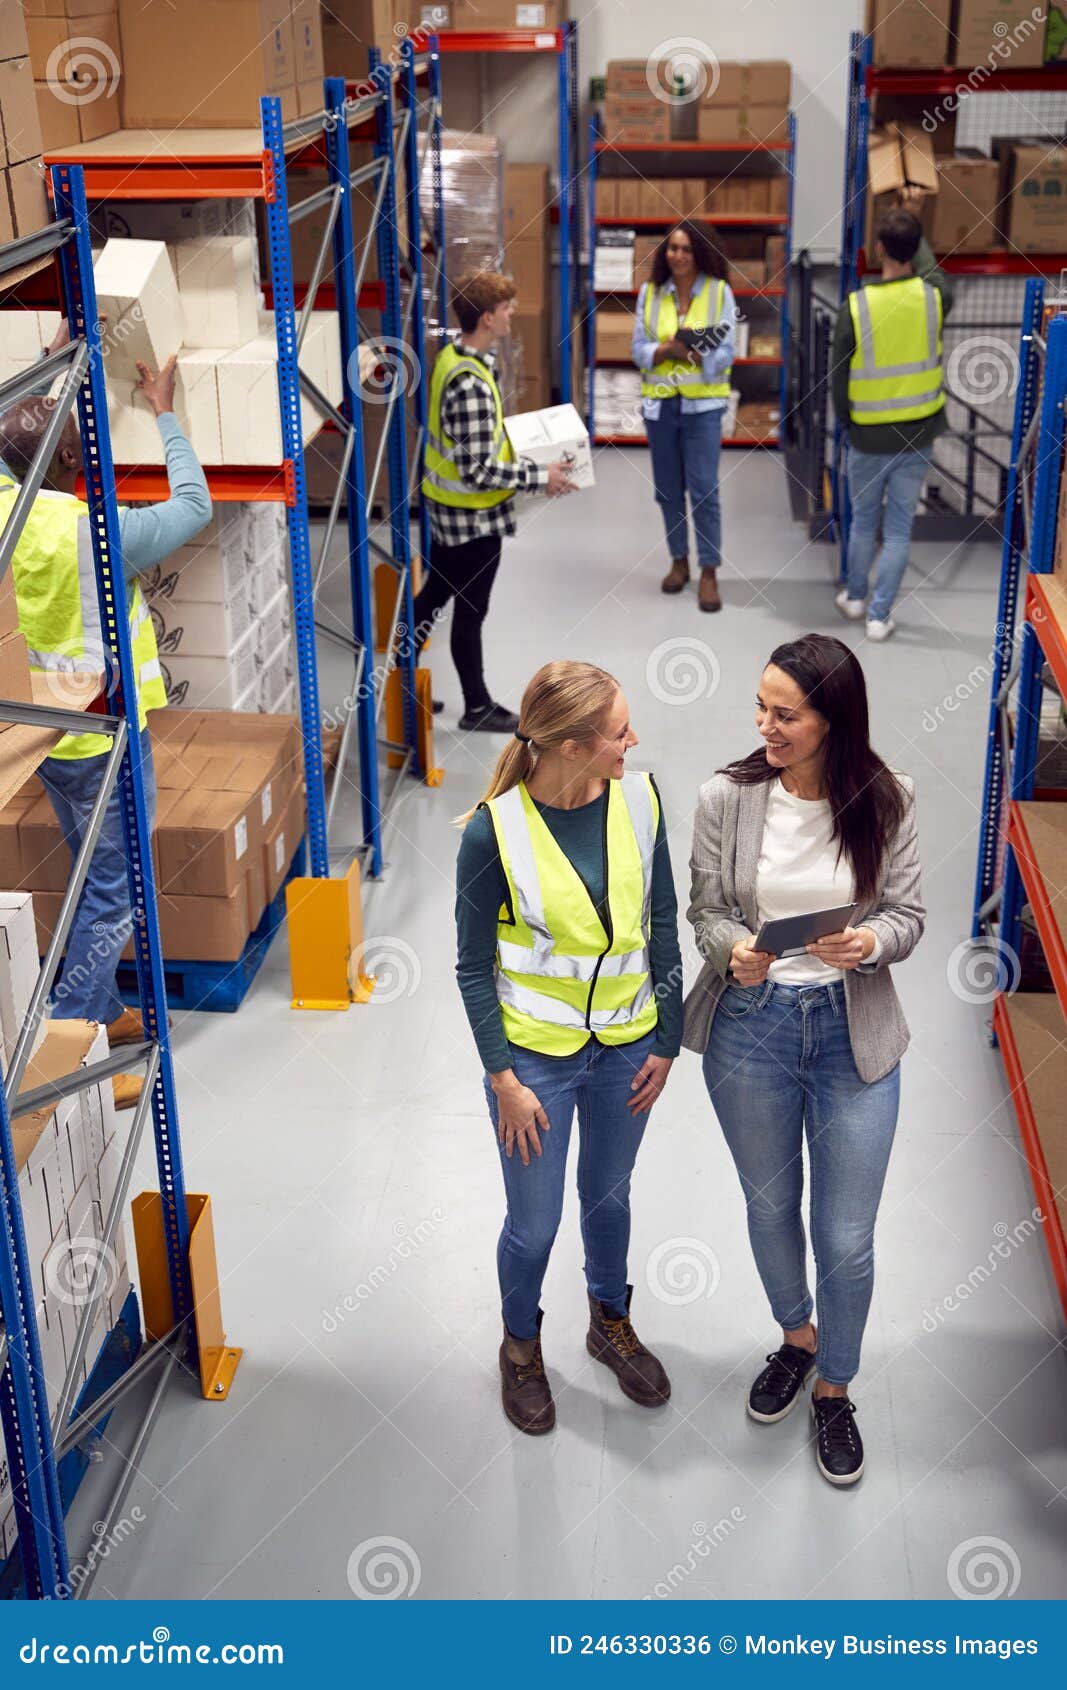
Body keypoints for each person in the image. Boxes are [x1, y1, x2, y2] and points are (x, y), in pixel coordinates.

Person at [682, 634, 924, 1486]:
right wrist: (731, 953)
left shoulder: (884, 796)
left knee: (846, 1236)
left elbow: (909, 914)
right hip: (751, 1026)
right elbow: (705, 909)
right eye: (761, 708)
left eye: (785, 714)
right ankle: (796, 1337)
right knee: (768, 1204)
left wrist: (869, 940)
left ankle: (834, 1387)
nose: (765, 725)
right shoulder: (727, 796)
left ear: (832, 718)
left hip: (850, 1032)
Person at [455, 661, 682, 1434]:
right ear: (576, 747)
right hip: (535, 1068)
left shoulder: (641, 803)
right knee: (535, 1222)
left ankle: (607, 1320)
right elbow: (470, 967)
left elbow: (661, 930)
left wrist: (668, 1039)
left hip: (627, 1048)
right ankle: (520, 1347)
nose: (634, 741)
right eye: (621, 731)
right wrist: (502, 1080)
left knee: (609, 1197)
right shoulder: (493, 832)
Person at [0, 337, 211, 1107]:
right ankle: (73, 1031)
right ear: (66, 468)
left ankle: (106, 1007)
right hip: (103, 736)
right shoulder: (97, 533)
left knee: (90, 861)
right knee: (114, 885)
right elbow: (194, 504)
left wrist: (52, 362)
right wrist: (165, 415)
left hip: (32, 731)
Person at [416, 270, 574, 734]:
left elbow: (476, 448)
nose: (511, 315)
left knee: (431, 598)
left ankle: (402, 688)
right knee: (470, 609)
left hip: (452, 512)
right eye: (505, 308)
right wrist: (538, 476)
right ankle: (477, 706)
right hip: (472, 518)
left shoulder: (458, 357)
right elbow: (478, 470)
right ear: (487, 318)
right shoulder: (469, 383)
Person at [832, 192, 953, 642]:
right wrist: (915, 224)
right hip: (918, 435)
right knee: (900, 529)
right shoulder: (935, 297)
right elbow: (935, 272)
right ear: (915, 248)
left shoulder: (857, 307)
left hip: (867, 438)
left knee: (864, 522)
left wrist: (847, 422)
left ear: (878, 250)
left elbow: (838, 380)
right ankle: (879, 618)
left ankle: (856, 597)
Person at [630, 219, 736, 613]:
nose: (677, 255)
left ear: (701, 253)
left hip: (703, 406)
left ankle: (709, 571)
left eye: (686, 249)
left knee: (705, 489)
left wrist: (699, 355)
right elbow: (638, 348)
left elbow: (728, 353)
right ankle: (679, 561)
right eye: (672, 248)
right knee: (668, 490)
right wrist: (664, 352)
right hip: (661, 404)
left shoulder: (719, 292)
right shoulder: (651, 293)